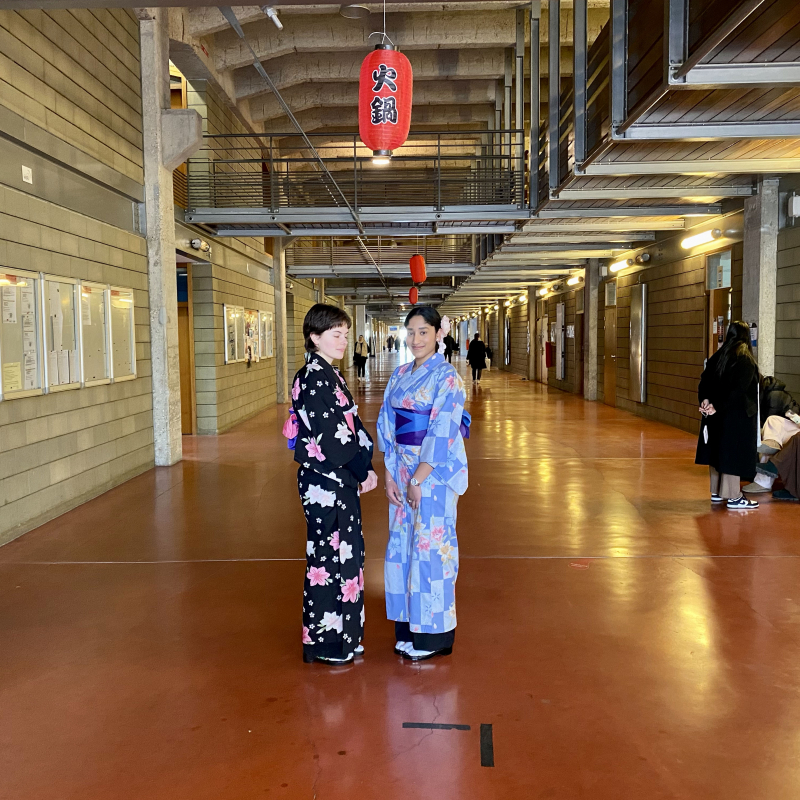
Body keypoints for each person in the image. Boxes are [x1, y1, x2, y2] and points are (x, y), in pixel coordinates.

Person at [286, 304, 378, 665]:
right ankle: (325, 642)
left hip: (338, 480)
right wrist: (363, 469)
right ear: (314, 336)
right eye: (335, 334)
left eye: (344, 334)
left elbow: (352, 425)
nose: (342, 341)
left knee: (348, 555)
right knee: (328, 557)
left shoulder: (330, 374)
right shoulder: (313, 377)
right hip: (326, 481)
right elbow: (335, 439)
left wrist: (364, 463)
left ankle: (347, 634)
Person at [377, 306, 469, 662]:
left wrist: (419, 477)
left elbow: (443, 429)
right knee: (401, 548)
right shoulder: (400, 373)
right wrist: (390, 473)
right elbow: (386, 420)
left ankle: (435, 637)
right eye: (411, 332)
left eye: (423, 332)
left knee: (432, 549)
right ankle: (408, 625)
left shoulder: (447, 377)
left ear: (437, 335)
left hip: (432, 474)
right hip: (401, 468)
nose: (416, 340)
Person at [695, 321, 760, 510]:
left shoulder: (718, 356)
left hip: (715, 414)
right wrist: (719, 407)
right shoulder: (744, 359)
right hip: (734, 415)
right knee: (732, 453)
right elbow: (738, 391)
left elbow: (704, 382)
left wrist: (705, 401)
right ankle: (733, 496)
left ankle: (717, 492)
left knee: (717, 451)